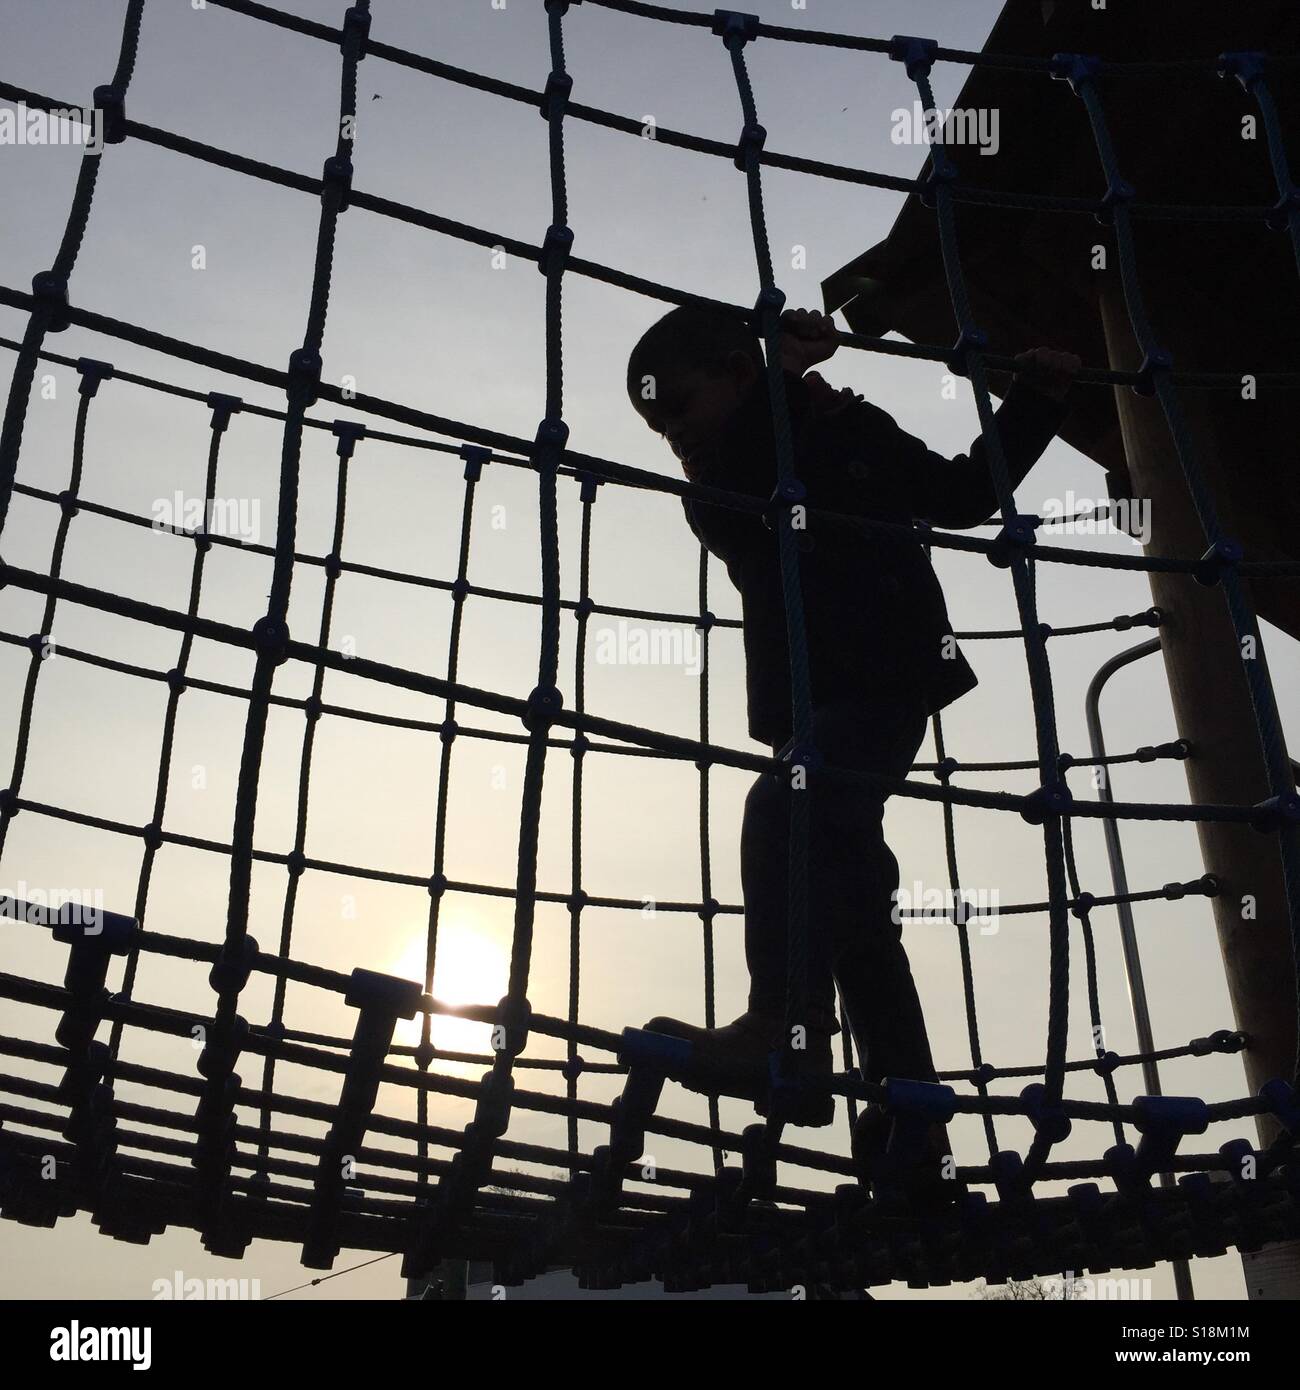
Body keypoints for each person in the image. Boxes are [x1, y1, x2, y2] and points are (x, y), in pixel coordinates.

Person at [626, 304, 1078, 1144]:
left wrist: (1034, 402)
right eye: (658, 426)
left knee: (783, 808)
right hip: (811, 705)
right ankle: (912, 1135)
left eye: (680, 407)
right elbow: (734, 496)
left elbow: (957, 493)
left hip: (885, 679)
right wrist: (783, 381)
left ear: (734, 371)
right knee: (857, 917)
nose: (673, 435)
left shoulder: (843, 422)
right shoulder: (720, 480)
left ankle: (785, 1033)